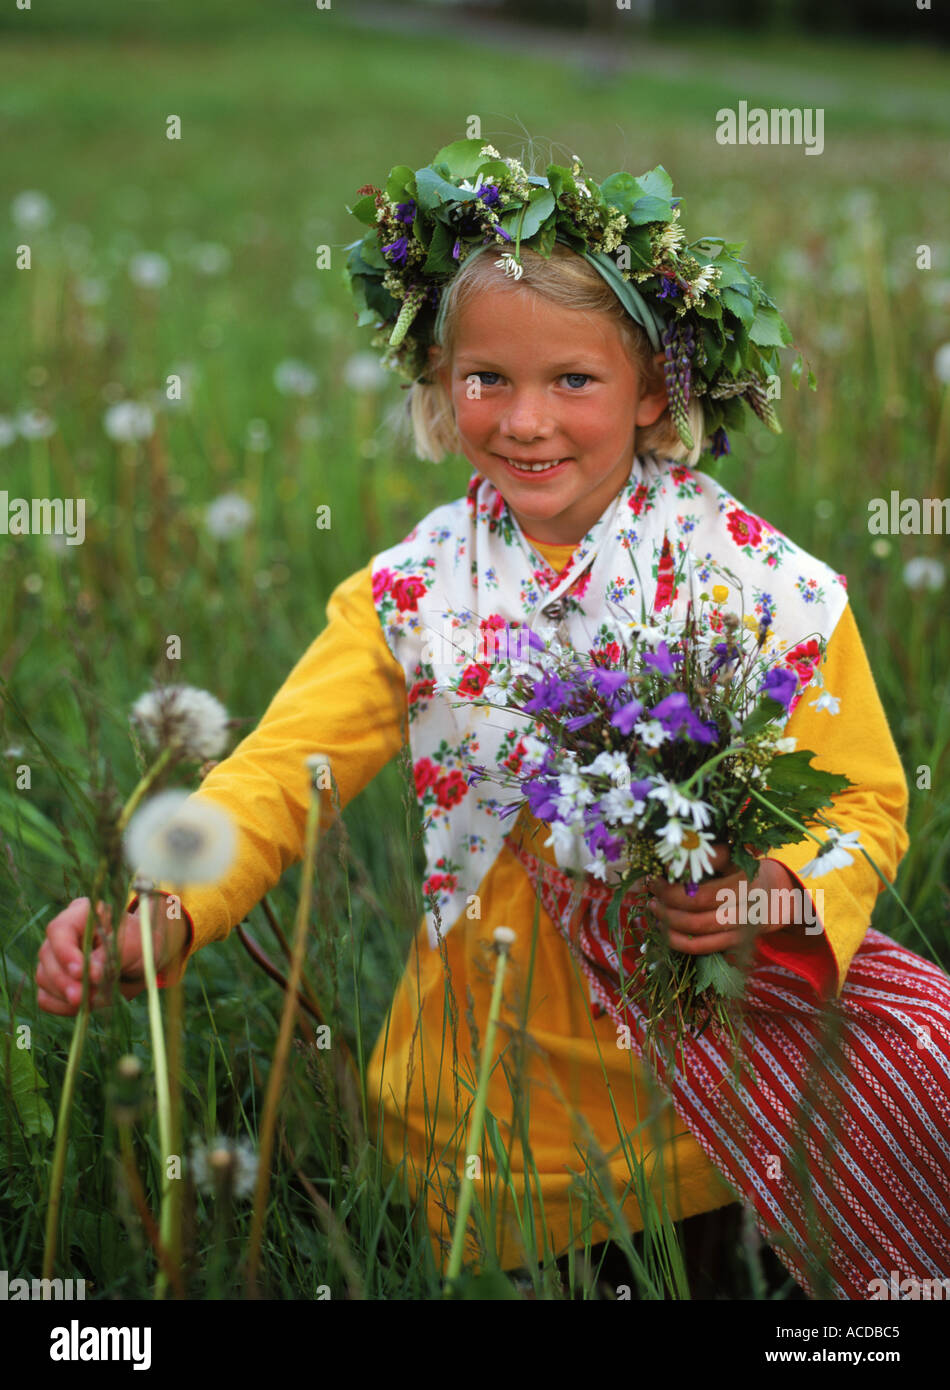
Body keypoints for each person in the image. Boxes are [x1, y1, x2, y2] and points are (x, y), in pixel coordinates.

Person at [36, 139, 950, 1300]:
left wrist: (768, 892)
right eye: (485, 380)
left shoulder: (765, 588)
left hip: (711, 1112)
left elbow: (865, 802)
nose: (524, 422)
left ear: (656, 390)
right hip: (489, 1114)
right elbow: (271, 778)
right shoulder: (410, 596)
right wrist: (164, 910)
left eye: (572, 379)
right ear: (439, 381)